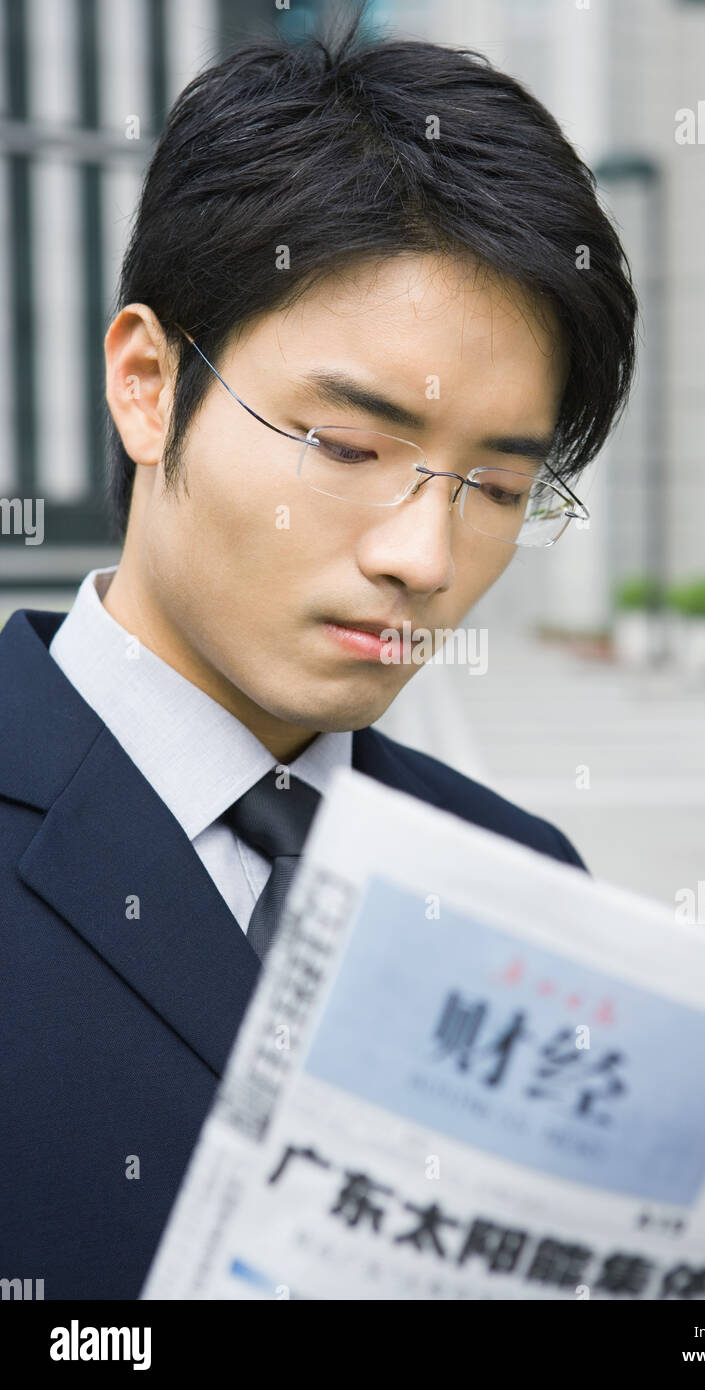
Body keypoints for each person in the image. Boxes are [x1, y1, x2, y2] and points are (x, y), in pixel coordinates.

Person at [0, 7, 637, 1300]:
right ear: (145, 381)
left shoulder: (524, 882)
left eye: (499, 487)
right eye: (346, 448)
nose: (424, 553)